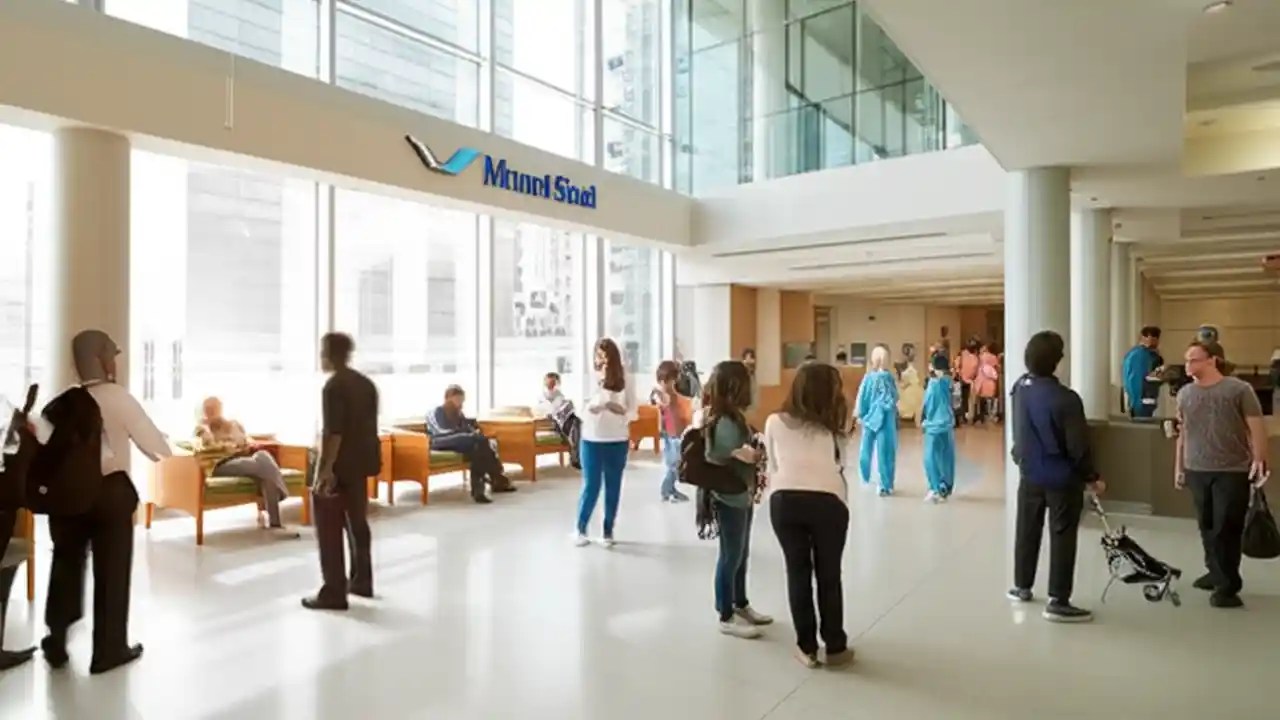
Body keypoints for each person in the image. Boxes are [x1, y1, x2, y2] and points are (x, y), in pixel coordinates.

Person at [44, 330, 171, 674]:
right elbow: (157, 449)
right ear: (102, 358)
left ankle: (56, 637)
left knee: (66, 563)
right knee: (112, 570)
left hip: (67, 499)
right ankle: (109, 649)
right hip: (109, 496)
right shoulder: (118, 397)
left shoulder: (61, 403)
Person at [1007, 330, 1105, 623]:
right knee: (1062, 536)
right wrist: (1092, 477)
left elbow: (1019, 429)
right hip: (1062, 479)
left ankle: (1022, 586)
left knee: (1027, 530)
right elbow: (1078, 446)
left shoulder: (1019, 388)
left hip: (1030, 473)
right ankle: (1058, 600)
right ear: (1057, 360)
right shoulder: (1067, 399)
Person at [764, 362, 852, 668]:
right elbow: (841, 462)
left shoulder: (774, 421)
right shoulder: (835, 425)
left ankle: (807, 646)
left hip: (785, 501)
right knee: (829, 575)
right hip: (829, 502)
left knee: (797, 572)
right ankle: (836, 645)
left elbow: (772, 466)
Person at [1175, 341, 1269, 608]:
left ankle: (1228, 586)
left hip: (1232, 469)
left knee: (1226, 526)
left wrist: (1260, 459)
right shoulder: (1184, 394)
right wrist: (1178, 467)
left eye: (1194, 360)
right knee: (1206, 525)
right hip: (1197, 468)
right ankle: (1215, 572)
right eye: (1186, 360)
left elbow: (1256, 427)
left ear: (1212, 360)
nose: (1188, 365)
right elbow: (1183, 433)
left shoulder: (1239, 390)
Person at [303, 333, 380, 612]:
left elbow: (333, 433)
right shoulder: (366, 384)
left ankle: (333, 591)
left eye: (322, 351)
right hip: (362, 464)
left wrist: (324, 470)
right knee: (357, 523)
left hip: (339, 467)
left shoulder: (333, 387)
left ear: (329, 354)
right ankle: (362, 580)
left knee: (329, 529)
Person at [703, 360, 772, 639]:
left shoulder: (734, 417)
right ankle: (725, 613)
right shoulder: (723, 421)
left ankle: (740, 602)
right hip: (728, 496)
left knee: (741, 553)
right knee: (731, 555)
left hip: (741, 494)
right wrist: (750, 455)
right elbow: (722, 454)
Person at [195, 397, 299, 538]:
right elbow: (210, 446)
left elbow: (247, 442)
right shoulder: (202, 428)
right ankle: (281, 498)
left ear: (221, 408)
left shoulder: (233, 423)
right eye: (208, 409)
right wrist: (230, 443)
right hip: (219, 464)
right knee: (262, 466)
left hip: (241, 458)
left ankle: (275, 524)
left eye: (214, 408)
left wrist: (235, 441)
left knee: (263, 457)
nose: (211, 412)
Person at [574, 338, 637, 547]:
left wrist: (621, 411)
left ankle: (607, 530)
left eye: (606, 356)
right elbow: (579, 409)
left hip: (617, 439)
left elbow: (633, 410)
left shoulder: (626, 377)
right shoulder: (588, 377)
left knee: (613, 486)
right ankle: (580, 528)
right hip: (592, 438)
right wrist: (594, 406)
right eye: (599, 356)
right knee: (591, 485)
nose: (602, 361)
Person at [427, 385, 515, 504]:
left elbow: (467, 430)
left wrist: (471, 430)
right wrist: (468, 433)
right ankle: (496, 479)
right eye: (457, 400)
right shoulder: (437, 411)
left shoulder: (458, 414)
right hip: (439, 441)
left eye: (461, 401)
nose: (460, 403)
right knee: (480, 441)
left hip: (459, 441)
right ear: (448, 398)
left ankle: (479, 489)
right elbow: (441, 431)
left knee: (478, 448)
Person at [855, 345, 899, 497]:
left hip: (870, 418)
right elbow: (894, 398)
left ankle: (865, 476)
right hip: (886, 418)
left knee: (866, 449)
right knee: (885, 452)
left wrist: (860, 414)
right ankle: (885, 484)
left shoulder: (868, 378)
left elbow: (863, 397)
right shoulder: (889, 379)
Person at [653, 360, 692, 503]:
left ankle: (671, 489)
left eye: (672, 380)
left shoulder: (674, 394)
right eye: (666, 381)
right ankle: (666, 489)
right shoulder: (662, 395)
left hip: (677, 432)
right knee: (674, 465)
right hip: (670, 434)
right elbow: (663, 403)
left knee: (676, 464)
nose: (670, 384)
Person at [921, 354, 957, 503]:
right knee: (946, 457)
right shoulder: (949, 384)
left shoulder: (933, 385)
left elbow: (929, 404)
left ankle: (935, 488)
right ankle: (945, 486)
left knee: (930, 457)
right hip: (947, 423)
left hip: (934, 425)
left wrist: (924, 420)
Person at [1122, 326, 1162, 418]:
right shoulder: (1140, 356)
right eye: (1153, 338)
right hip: (1141, 400)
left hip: (1145, 399)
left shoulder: (1149, 355)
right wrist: (1136, 402)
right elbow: (1136, 380)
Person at [974, 344, 1001, 423]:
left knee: (981, 399)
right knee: (991, 398)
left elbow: (976, 367)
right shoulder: (993, 357)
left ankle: (982, 416)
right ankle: (991, 414)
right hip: (990, 380)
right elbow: (997, 367)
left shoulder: (979, 357)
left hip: (981, 380)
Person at [955, 342, 979, 423]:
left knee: (961, 398)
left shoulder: (962, 354)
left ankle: (963, 415)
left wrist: (959, 373)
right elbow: (976, 370)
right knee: (966, 399)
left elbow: (956, 365)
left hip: (963, 379)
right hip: (967, 380)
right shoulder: (974, 357)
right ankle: (964, 415)